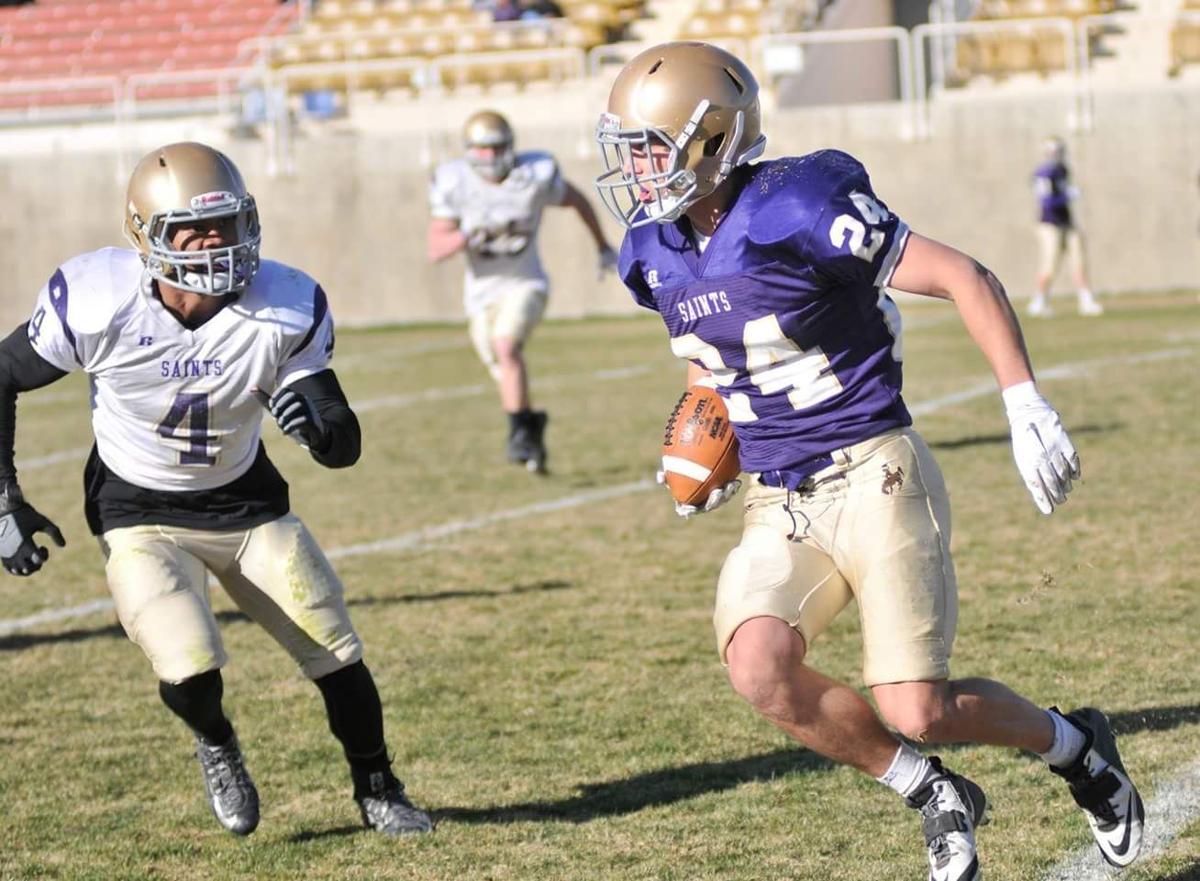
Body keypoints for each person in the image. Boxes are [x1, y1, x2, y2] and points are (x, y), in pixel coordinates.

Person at [595, 43, 1143, 881]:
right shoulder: (652, 252)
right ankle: (932, 793)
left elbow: (963, 274)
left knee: (918, 706)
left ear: (711, 142)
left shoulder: (799, 206)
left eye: (648, 148)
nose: (634, 171)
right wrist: (703, 436)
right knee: (759, 667)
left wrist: (1023, 400)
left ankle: (1075, 747)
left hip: (875, 469)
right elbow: (712, 353)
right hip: (779, 495)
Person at [0, 142, 432, 838]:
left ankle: (377, 783)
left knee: (336, 650)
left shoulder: (284, 304)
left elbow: (342, 437)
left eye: (225, 223)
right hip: (138, 508)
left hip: (245, 502)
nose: (214, 242)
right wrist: (4, 498)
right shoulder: (99, 298)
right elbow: (3, 373)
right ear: (145, 235)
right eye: (191, 230)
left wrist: (323, 433)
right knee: (187, 661)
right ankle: (217, 741)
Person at [427, 109, 617, 473]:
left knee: (506, 346)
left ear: (511, 147)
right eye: (481, 150)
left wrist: (602, 246)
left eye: (497, 148)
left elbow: (577, 200)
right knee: (500, 362)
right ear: (468, 151)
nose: (490, 157)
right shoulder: (454, 182)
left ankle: (519, 433)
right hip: (481, 293)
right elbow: (435, 248)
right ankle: (530, 425)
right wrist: (468, 233)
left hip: (526, 282)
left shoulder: (534, 175)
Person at [1029, 137, 1103, 317]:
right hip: (1049, 224)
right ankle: (1039, 301)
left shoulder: (1063, 170)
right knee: (1050, 264)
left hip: (1067, 222)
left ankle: (1086, 300)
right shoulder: (1043, 174)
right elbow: (1046, 202)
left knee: (1079, 261)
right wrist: (1066, 196)